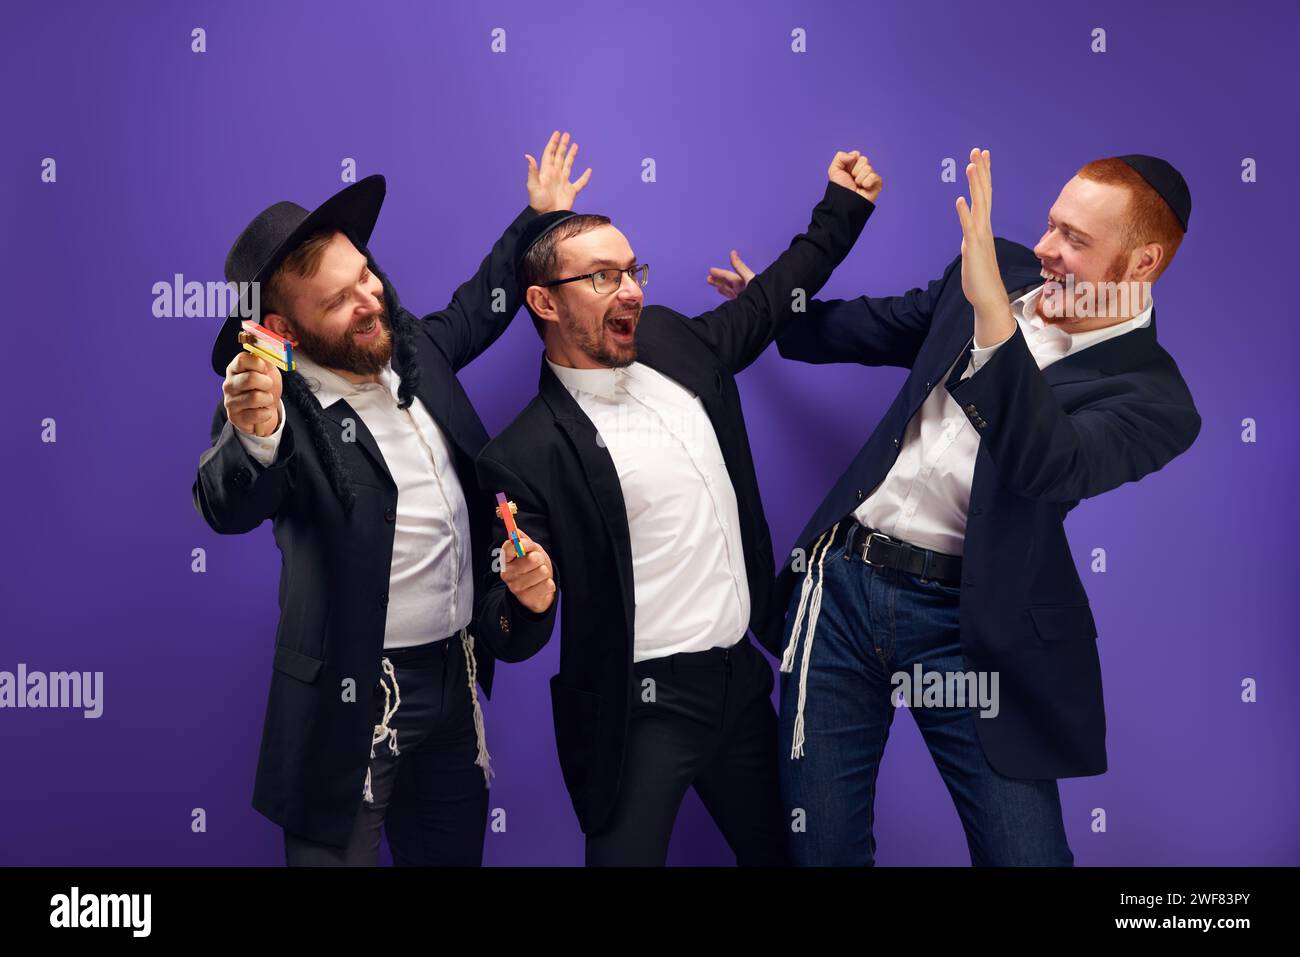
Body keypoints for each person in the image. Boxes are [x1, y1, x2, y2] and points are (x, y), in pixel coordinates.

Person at [709, 149, 1200, 865]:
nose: (1045, 248)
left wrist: (995, 317)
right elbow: (879, 326)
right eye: (1052, 225)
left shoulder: (1156, 401)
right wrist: (769, 308)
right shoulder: (1003, 269)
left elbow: (1049, 462)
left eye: (1076, 240)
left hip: (970, 626)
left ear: (1141, 264)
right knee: (821, 851)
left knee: (1025, 856)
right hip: (842, 589)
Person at [192, 132, 590, 865]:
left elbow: (482, 302)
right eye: (339, 301)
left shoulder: (414, 350)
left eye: (366, 276)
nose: (370, 299)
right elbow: (224, 502)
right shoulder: (276, 403)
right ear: (283, 329)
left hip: (451, 679)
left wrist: (538, 218)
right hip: (347, 703)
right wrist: (254, 435)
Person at [473, 151, 881, 865]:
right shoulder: (523, 454)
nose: (628, 290)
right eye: (602, 276)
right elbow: (507, 631)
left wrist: (841, 206)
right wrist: (527, 598)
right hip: (639, 713)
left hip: (740, 681)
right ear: (544, 302)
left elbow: (767, 300)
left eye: (632, 270)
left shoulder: (670, 341)